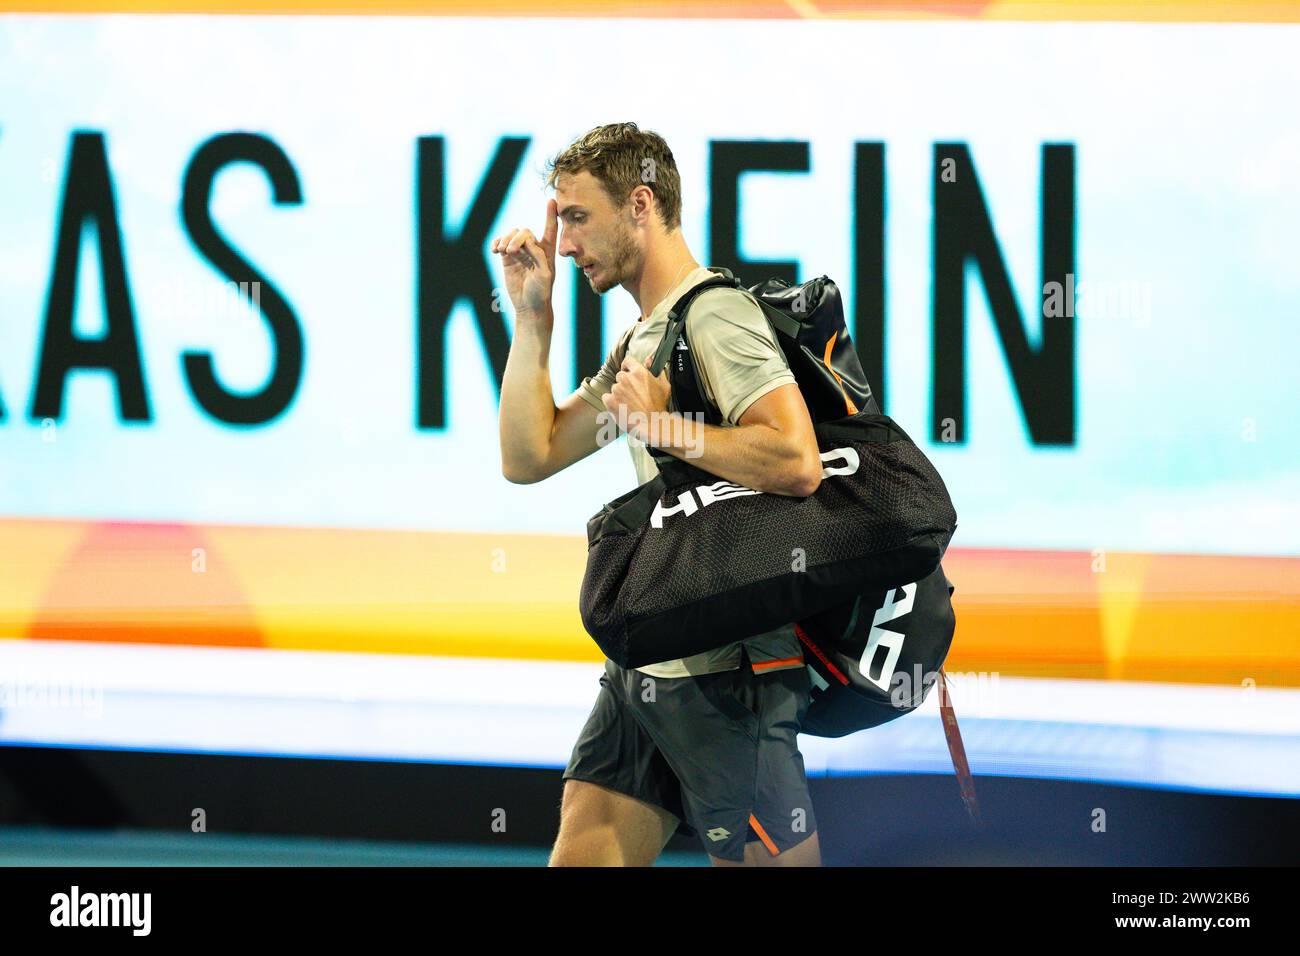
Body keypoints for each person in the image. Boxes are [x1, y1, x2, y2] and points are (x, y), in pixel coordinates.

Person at [494, 122, 823, 866]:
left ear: (639, 203)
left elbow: (796, 457)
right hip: (649, 665)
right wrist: (532, 318)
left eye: (577, 217)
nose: (566, 243)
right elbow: (530, 453)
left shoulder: (716, 316)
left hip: (730, 678)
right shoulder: (646, 336)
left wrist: (664, 428)